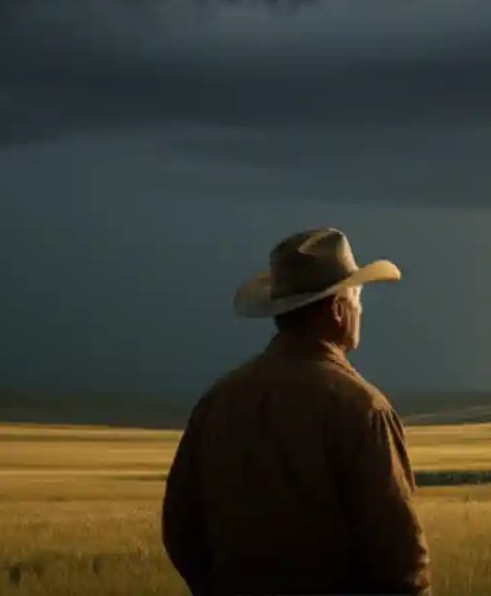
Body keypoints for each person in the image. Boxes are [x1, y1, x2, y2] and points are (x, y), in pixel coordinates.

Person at [162, 227, 431, 595]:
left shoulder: (217, 402)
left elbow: (180, 531)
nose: (360, 309)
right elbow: (402, 561)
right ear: (338, 310)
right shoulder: (362, 409)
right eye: (357, 297)